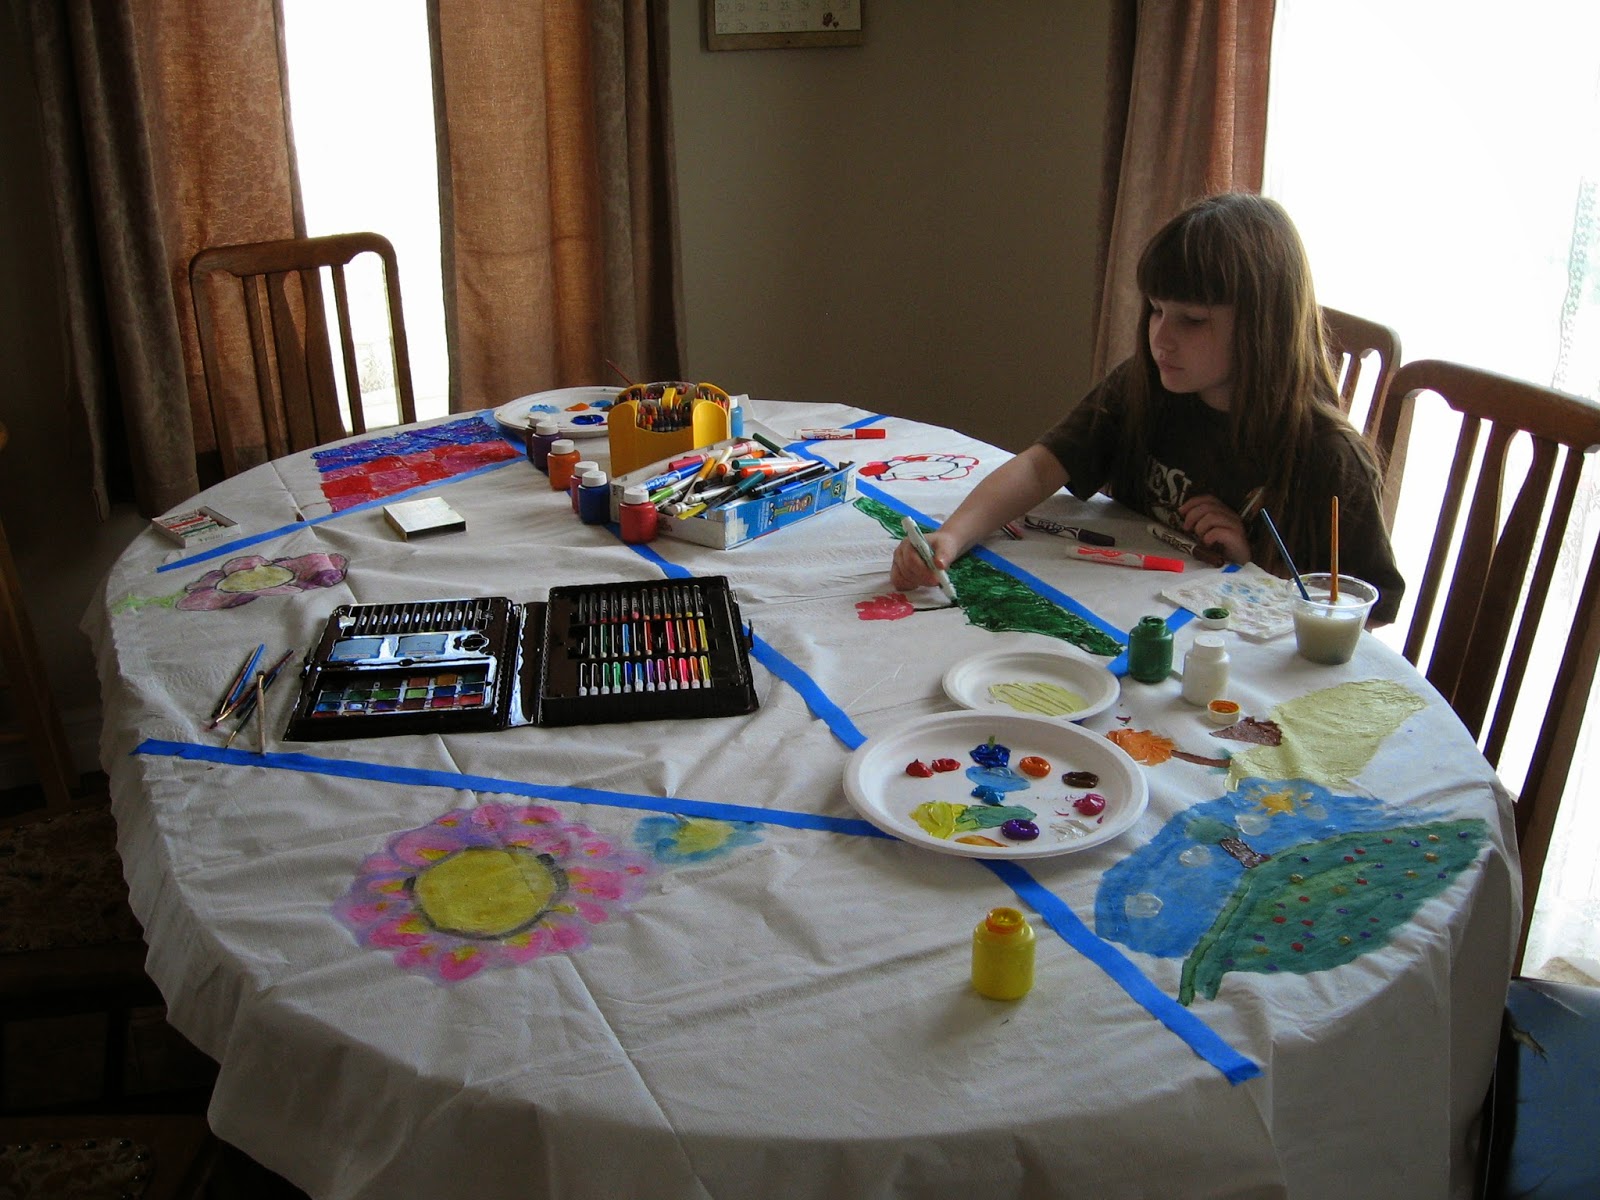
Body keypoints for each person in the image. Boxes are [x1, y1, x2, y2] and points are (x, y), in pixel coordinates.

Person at [889, 192, 1405, 625]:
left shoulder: (1331, 460)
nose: (1161, 337)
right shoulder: (1144, 388)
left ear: (1263, 325)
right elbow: (1041, 465)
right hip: (1125, 618)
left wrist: (1254, 572)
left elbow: (1364, 614)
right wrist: (950, 536)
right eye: (1156, 310)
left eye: (1192, 320)